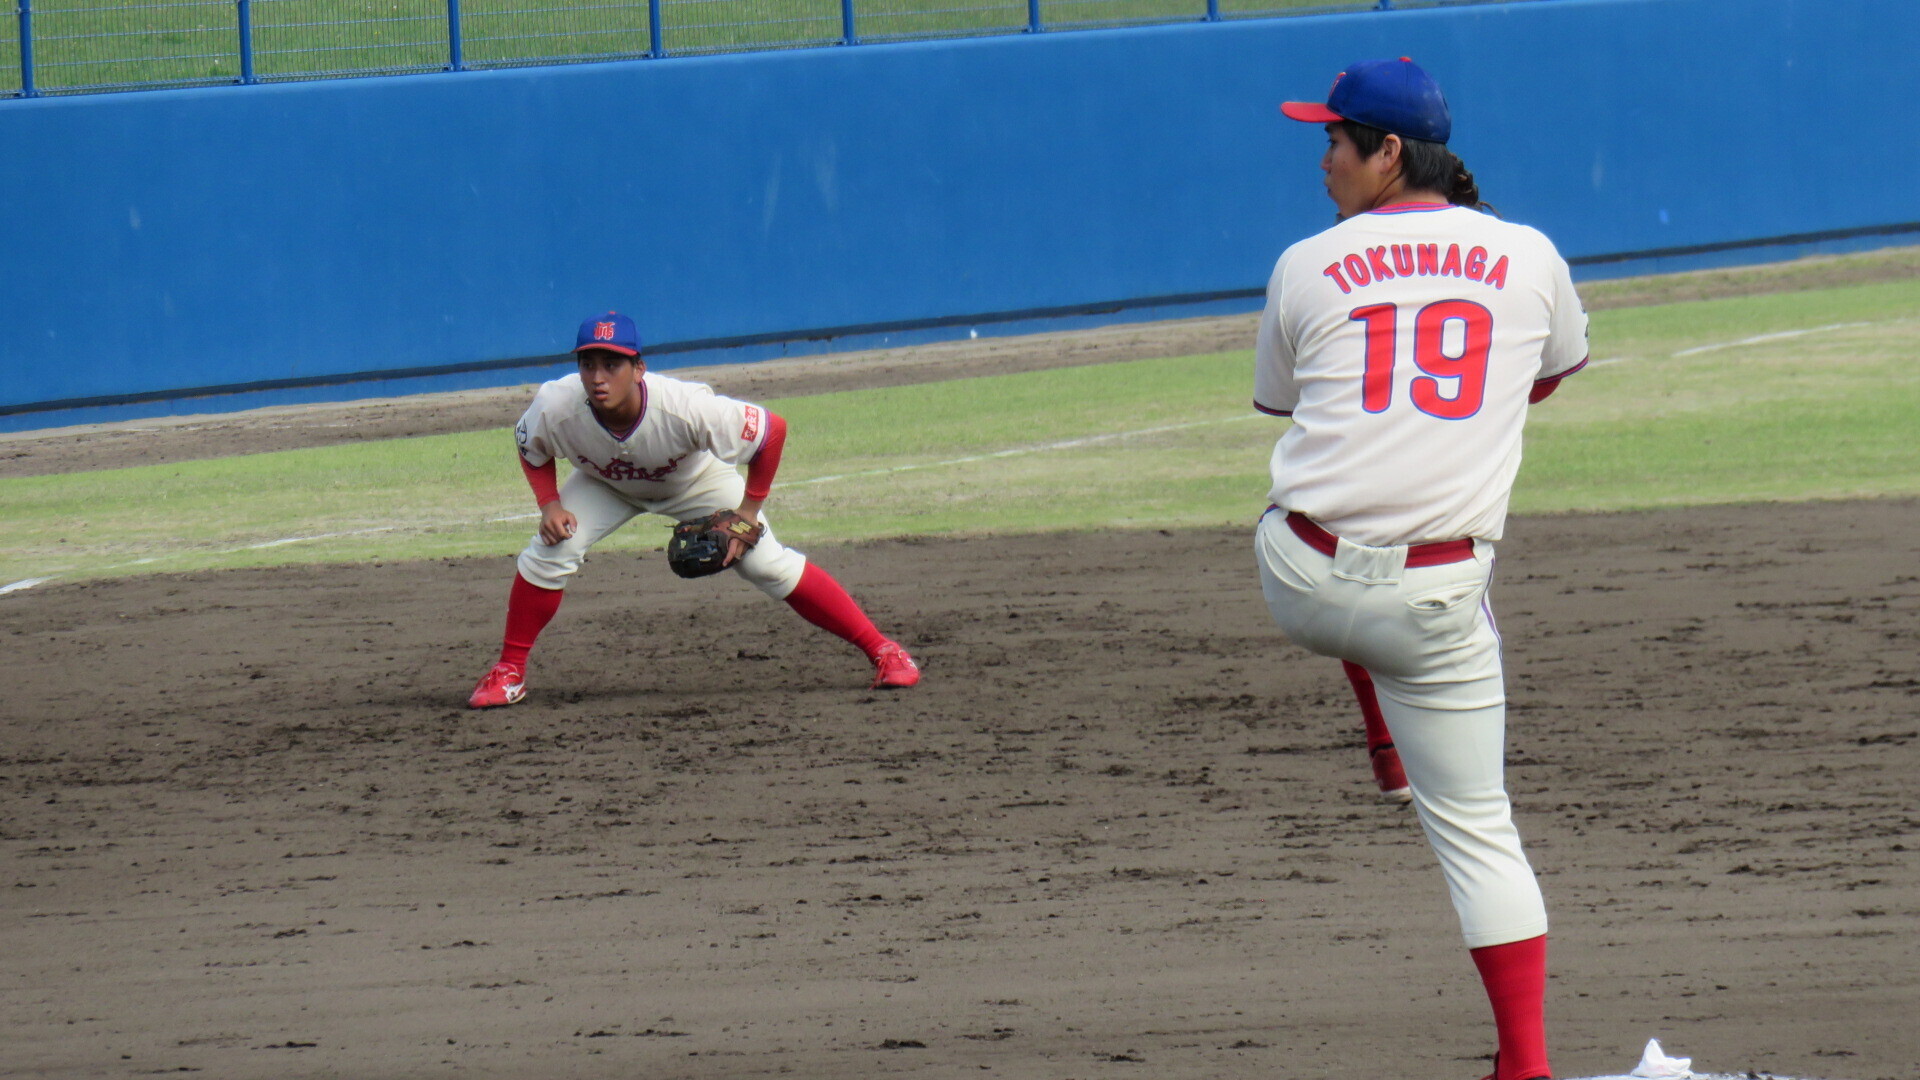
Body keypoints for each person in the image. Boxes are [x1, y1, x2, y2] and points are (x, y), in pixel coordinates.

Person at [1253, 59, 1589, 1080]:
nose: (1323, 159)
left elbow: (1293, 402)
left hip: (1301, 581)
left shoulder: (1306, 263)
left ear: (1388, 152)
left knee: (1306, 512)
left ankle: (1381, 729)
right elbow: (1544, 380)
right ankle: (1525, 1066)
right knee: (1481, 831)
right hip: (1436, 600)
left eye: (1334, 139)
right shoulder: (1530, 253)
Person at [467, 311, 921, 707]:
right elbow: (530, 447)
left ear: (639, 368)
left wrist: (748, 512)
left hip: (694, 481)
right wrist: (549, 504)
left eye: (612, 364)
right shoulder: (555, 404)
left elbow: (772, 431)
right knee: (550, 550)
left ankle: (884, 651)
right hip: (605, 483)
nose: (598, 376)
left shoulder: (686, 408)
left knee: (766, 565)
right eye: (588, 364)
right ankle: (509, 672)